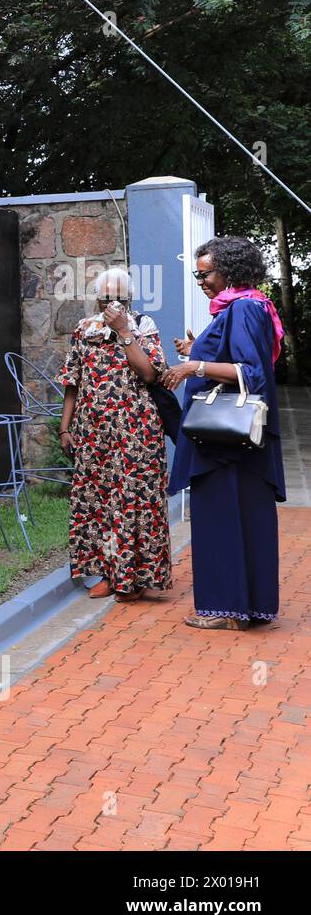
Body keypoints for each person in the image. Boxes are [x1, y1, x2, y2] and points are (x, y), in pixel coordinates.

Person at [160, 235, 284, 630]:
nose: (200, 281)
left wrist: (191, 367)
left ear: (230, 268)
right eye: (196, 275)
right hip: (237, 440)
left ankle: (226, 610)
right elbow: (236, 357)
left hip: (227, 442)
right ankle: (245, 609)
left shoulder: (244, 308)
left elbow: (252, 372)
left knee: (221, 519)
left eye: (205, 273)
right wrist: (201, 350)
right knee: (245, 518)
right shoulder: (249, 305)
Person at [57, 267, 172, 602]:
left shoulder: (143, 326)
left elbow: (150, 373)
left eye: (120, 297)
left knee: (135, 501)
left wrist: (124, 331)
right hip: (94, 434)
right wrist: (65, 427)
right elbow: (72, 381)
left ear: (130, 298)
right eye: (108, 297)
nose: (113, 303)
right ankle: (110, 574)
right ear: (98, 298)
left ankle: (137, 577)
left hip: (137, 433)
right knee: (99, 504)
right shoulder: (84, 330)